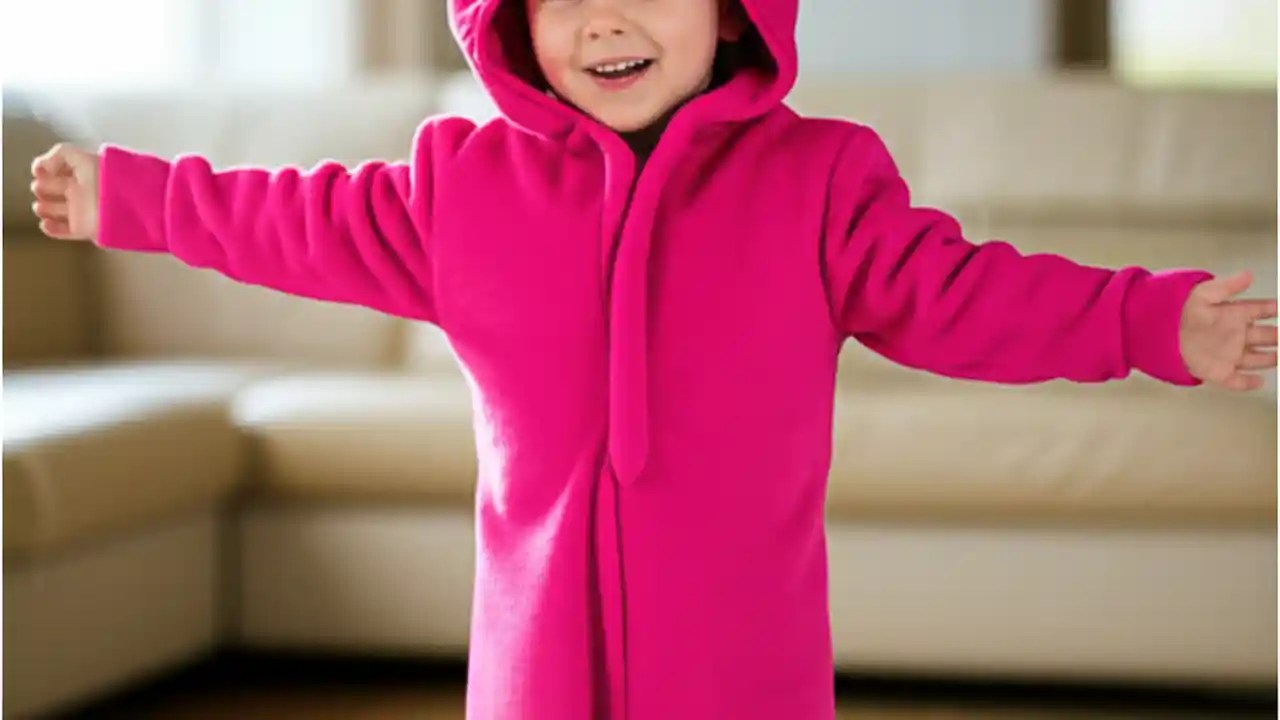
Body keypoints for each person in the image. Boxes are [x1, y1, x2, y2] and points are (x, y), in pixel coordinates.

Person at [29, 1, 1277, 718]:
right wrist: (128, 197)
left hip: (744, 663)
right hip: (532, 668)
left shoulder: (816, 183)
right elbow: (283, 216)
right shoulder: (463, 187)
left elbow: (964, 295)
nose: (606, 18)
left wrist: (1145, 320)